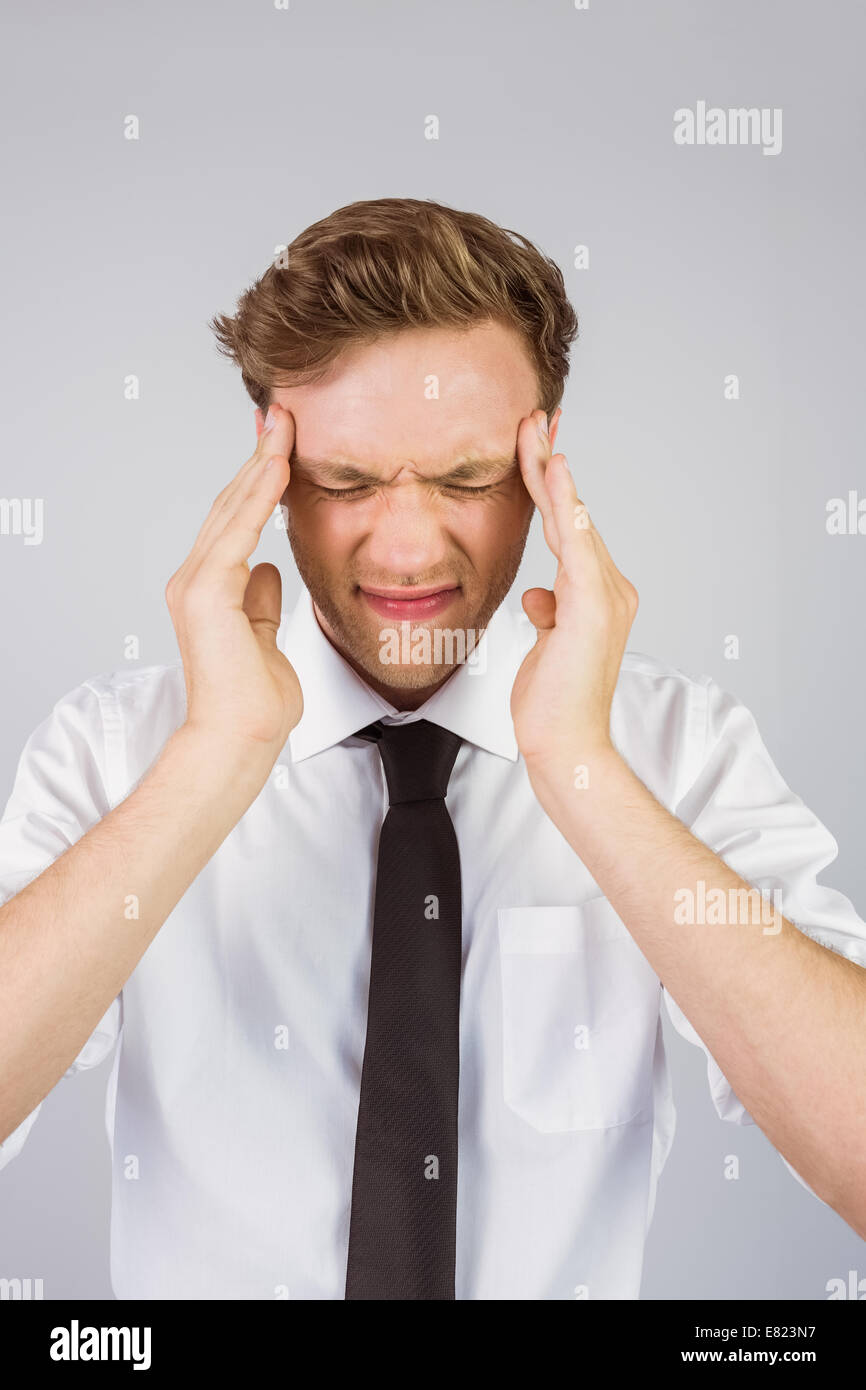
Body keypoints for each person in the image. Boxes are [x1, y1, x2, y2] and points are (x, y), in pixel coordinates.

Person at [1, 197, 864, 1301]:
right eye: (345, 483)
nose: (406, 549)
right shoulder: (114, 750)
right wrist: (215, 756)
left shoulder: (675, 750)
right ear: (266, 482)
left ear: (545, 470)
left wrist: (576, 767)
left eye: (465, 481)